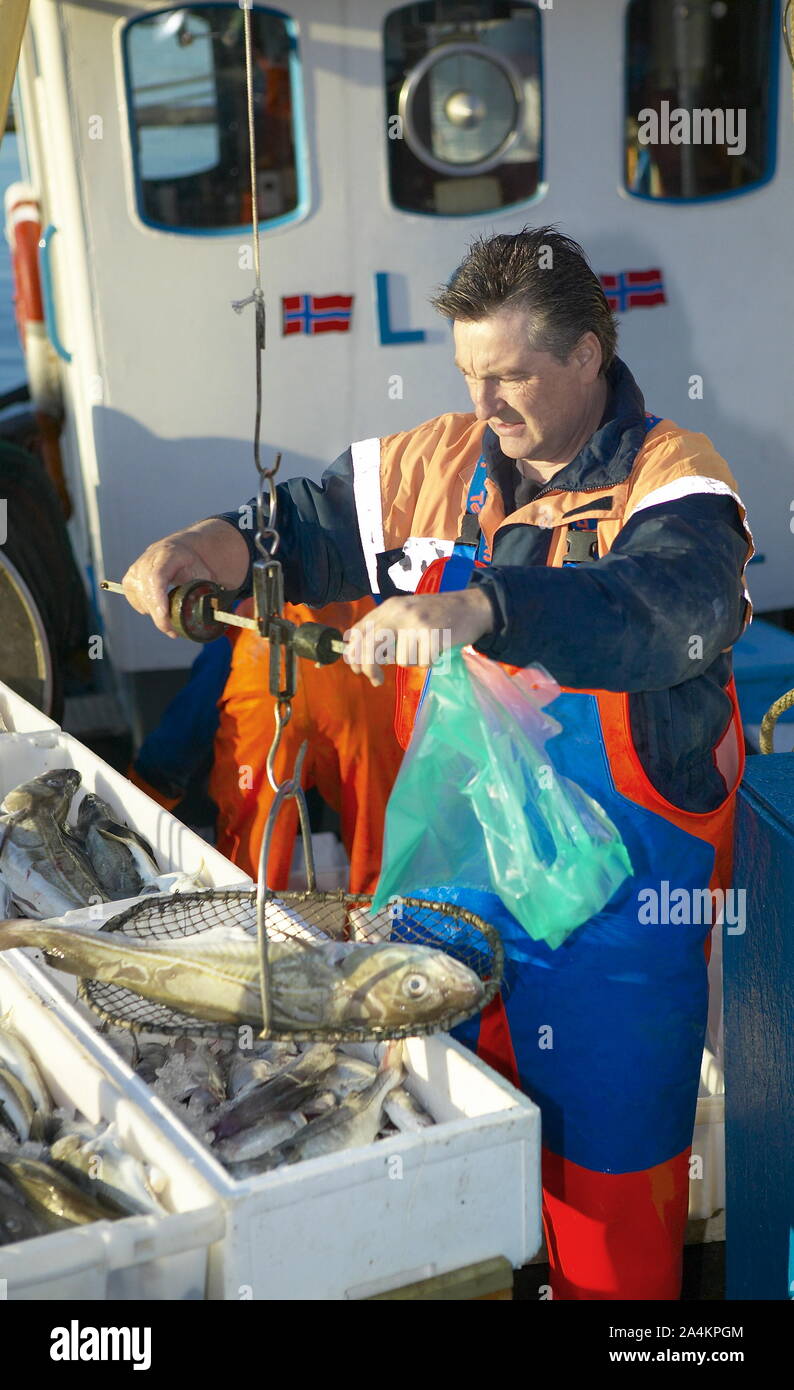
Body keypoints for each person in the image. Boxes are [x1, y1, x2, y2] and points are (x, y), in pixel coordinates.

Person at [122, 226, 752, 1300]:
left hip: (610, 944)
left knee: (611, 1244)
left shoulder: (674, 482)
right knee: (424, 1204)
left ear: (588, 357)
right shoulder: (440, 461)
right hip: (443, 912)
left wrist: (482, 605)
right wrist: (211, 544)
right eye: (467, 374)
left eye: (507, 376)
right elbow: (309, 523)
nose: (484, 405)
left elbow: (666, 611)